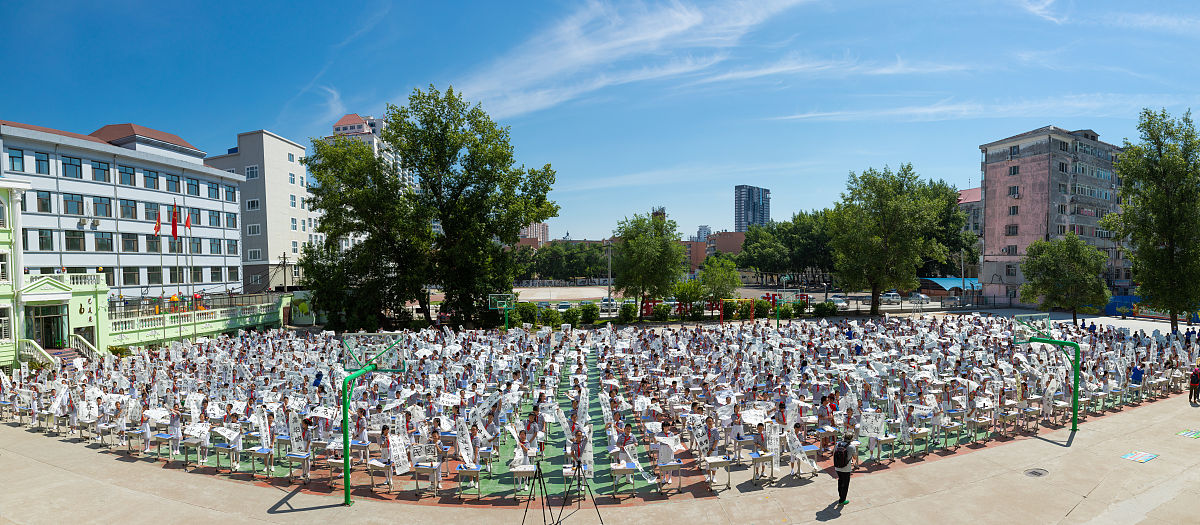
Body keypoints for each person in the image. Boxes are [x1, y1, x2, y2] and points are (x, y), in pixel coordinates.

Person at [833, 432, 856, 506]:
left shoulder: (838, 444)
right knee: (845, 484)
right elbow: (855, 457)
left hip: (837, 467)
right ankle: (842, 500)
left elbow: (834, 453)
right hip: (846, 468)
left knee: (840, 481)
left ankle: (840, 496)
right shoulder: (852, 447)